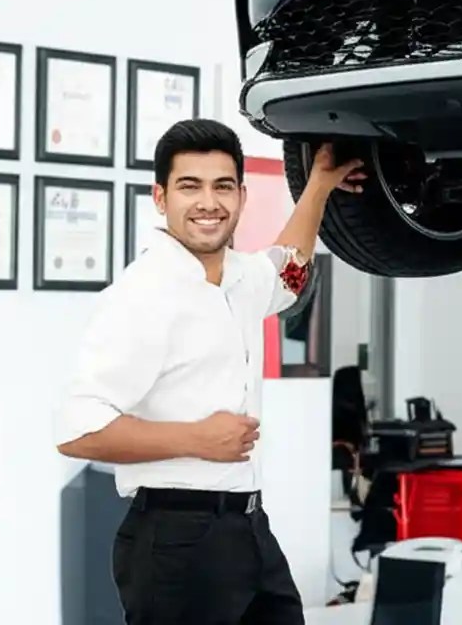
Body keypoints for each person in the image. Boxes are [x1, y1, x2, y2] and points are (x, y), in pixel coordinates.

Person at [53, 118, 365, 624]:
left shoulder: (239, 276)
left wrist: (320, 185)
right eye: (189, 186)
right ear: (160, 197)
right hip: (174, 538)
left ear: (242, 196)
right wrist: (196, 439)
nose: (208, 202)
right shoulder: (142, 296)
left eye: (222, 186)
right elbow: (77, 430)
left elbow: (290, 271)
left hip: (247, 527)